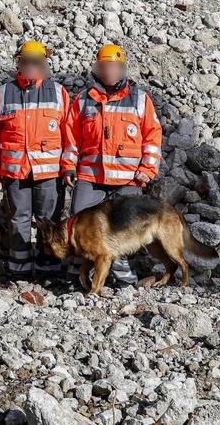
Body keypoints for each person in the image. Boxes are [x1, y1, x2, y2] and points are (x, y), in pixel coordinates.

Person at [60, 43, 163, 286]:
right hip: (91, 177)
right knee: (80, 223)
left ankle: (122, 278)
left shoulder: (139, 99)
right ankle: (81, 274)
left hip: (128, 179)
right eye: (105, 67)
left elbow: (152, 136)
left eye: (115, 67)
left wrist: (147, 170)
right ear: (97, 68)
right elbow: (72, 137)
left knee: (124, 230)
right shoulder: (84, 100)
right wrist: (69, 167)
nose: (110, 72)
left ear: (123, 69)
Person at [0, 41, 69, 281]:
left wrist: (68, 168)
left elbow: (70, 134)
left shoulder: (58, 92)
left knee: (49, 221)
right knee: (18, 219)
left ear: (44, 64)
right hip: (15, 173)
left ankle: (49, 269)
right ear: (19, 63)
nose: (31, 66)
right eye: (26, 62)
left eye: (36, 62)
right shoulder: (4, 93)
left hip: (49, 173)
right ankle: (19, 270)